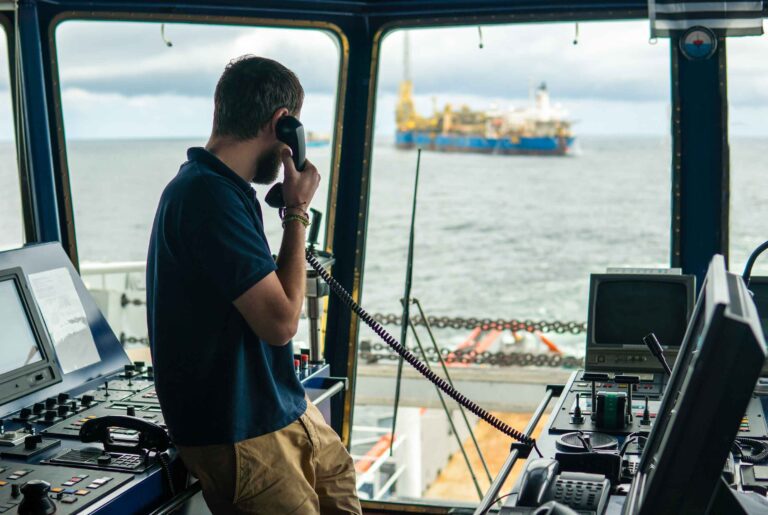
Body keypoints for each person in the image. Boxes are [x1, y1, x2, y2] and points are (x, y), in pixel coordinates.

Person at [146, 55, 361, 515]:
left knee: (340, 478)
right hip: (241, 432)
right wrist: (298, 211)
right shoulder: (206, 196)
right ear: (283, 124)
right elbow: (281, 322)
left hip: (280, 407)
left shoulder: (226, 190)